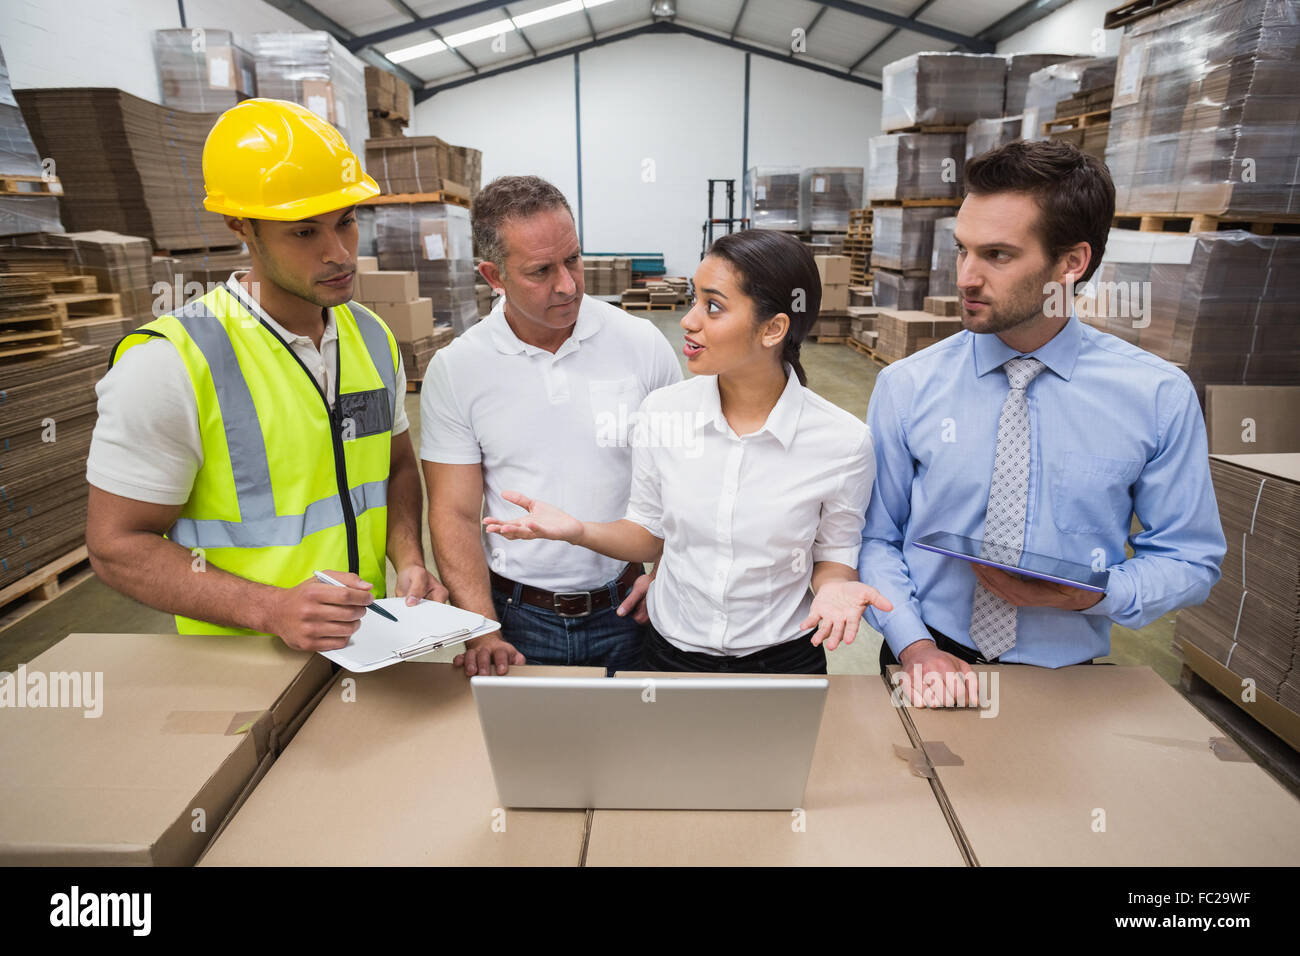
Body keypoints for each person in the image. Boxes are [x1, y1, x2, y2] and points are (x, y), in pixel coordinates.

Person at [860, 139, 1226, 706]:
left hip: (1067, 681)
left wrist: (1096, 594)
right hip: (925, 658)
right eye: (962, 251)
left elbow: (1190, 558)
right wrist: (914, 645)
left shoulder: (1156, 396)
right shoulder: (907, 386)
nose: (966, 277)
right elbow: (876, 538)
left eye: (998, 255)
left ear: (1071, 263)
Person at [85, 98, 447, 650]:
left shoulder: (372, 338)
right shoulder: (170, 363)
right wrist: (271, 609)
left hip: (367, 642)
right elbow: (116, 545)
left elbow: (395, 467)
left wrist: (410, 558)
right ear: (241, 226)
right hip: (242, 662)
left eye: (346, 222)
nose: (339, 254)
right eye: (304, 233)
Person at [482, 229, 893, 673]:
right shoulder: (663, 413)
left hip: (784, 660)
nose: (689, 320)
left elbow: (834, 553)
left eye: (713, 306)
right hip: (670, 655)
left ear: (773, 328)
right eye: (695, 299)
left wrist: (834, 587)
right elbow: (648, 533)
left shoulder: (842, 441)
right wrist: (577, 530)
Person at [421, 176, 682, 677]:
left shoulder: (641, 344)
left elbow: (683, 478)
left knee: (638, 729)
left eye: (573, 259)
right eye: (540, 271)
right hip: (518, 619)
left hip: (632, 607)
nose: (567, 285)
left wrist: (666, 574)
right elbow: (454, 513)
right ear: (493, 275)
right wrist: (483, 629)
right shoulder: (458, 369)